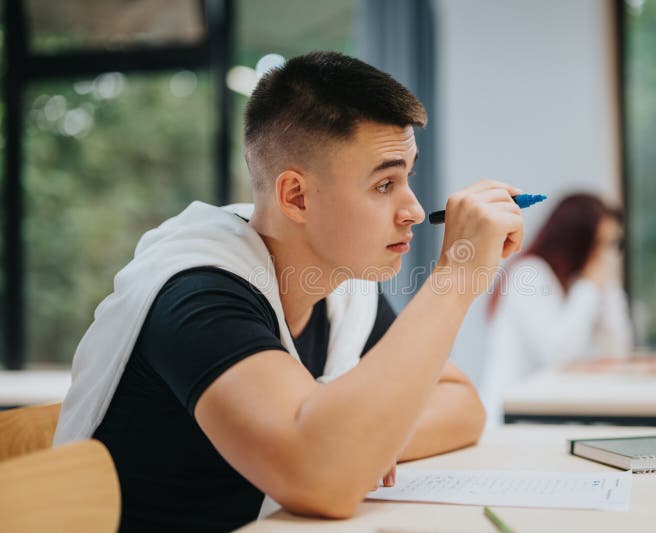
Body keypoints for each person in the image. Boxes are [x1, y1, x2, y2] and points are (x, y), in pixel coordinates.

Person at [53, 51, 526, 531]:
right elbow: (322, 480)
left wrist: (365, 440)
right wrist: (456, 275)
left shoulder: (342, 293)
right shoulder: (196, 293)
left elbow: (462, 404)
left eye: (408, 177)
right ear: (296, 196)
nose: (415, 211)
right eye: (385, 184)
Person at [481, 193, 633, 426]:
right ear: (576, 241)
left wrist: (609, 289)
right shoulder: (529, 274)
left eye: (614, 245)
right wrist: (590, 286)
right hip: (511, 421)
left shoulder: (574, 285)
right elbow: (558, 355)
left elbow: (617, 352)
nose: (608, 256)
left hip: (547, 417)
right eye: (601, 245)